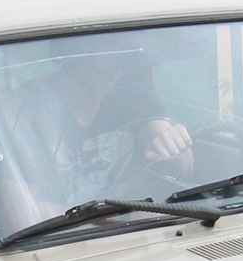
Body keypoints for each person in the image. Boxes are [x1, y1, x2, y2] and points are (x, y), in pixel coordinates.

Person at [13, 41, 194, 210]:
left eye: (120, 57)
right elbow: (23, 208)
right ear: (74, 53)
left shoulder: (134, 98)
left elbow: (176, 162)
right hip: (64, 235)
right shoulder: (26, 106)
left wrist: (175, 148)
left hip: (137, 222)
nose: (116, 66)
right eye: (104, 56)